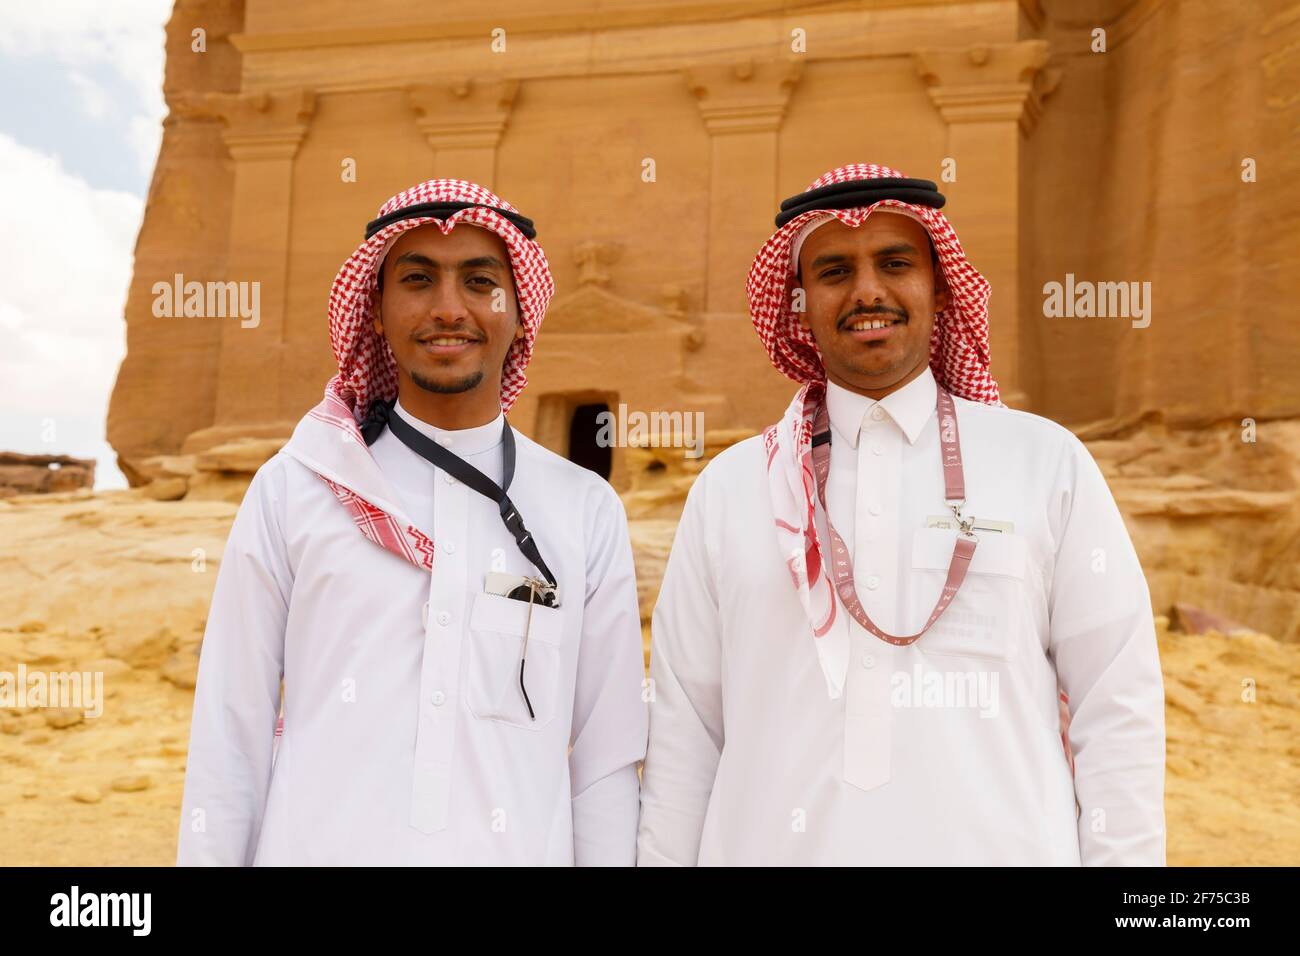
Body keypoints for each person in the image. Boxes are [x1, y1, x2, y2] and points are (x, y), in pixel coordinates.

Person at [636, 163, 1165, 866]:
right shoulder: (732, 488)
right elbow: (684, 732)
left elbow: (1116, 701)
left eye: (894, 263)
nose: (867, 292)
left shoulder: (1043, 464)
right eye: (833, 271)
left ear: (940, 287)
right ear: (799, 303)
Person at [178, 179, 647, 865]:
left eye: (481, 281)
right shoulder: (298, 487)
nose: (449, 309)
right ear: (375, 311)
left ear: (519, 311)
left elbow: (606, 758)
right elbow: (230, 729)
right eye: (418, 280)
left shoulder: (583, 508)